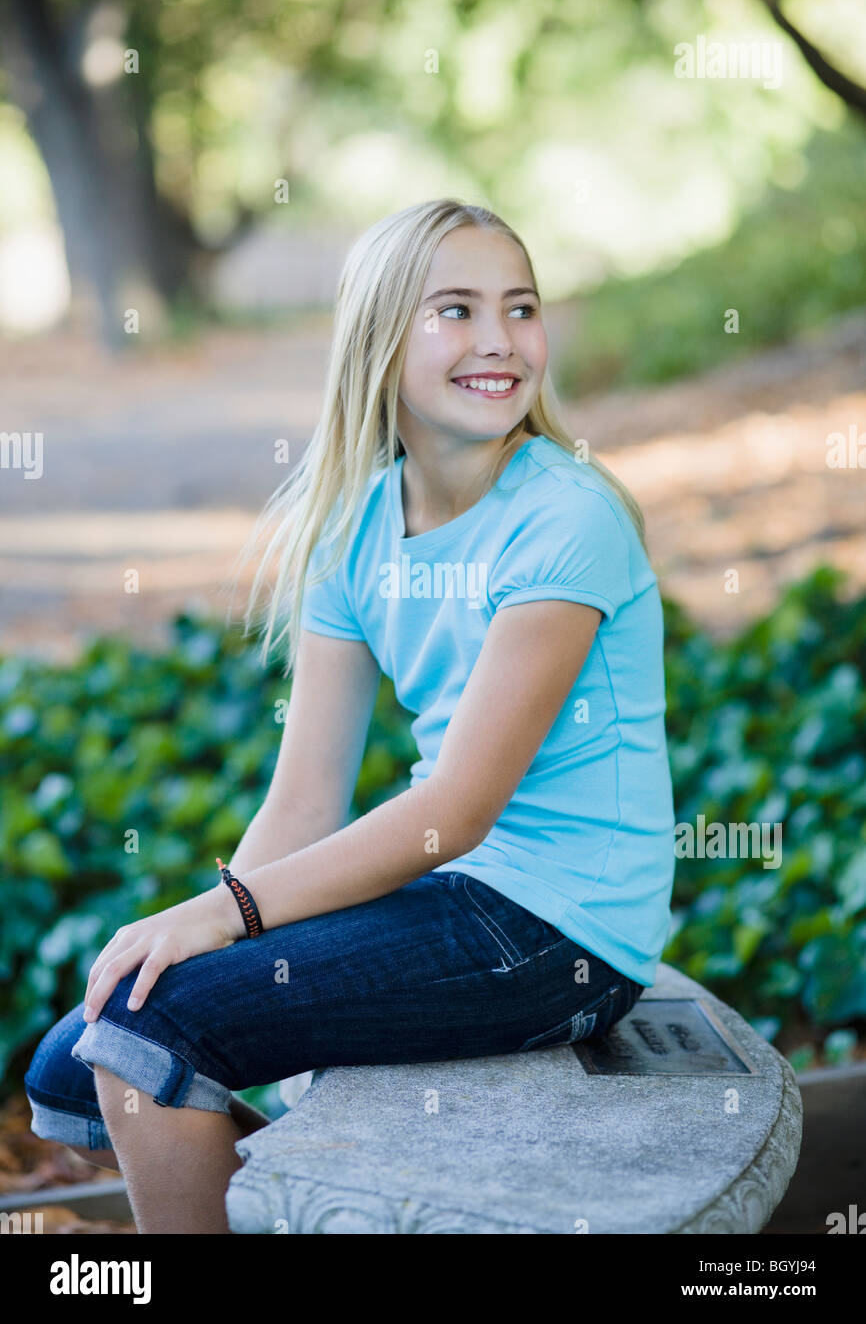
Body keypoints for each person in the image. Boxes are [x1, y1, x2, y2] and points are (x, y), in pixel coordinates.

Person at [24, 198, 675, 1234]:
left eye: (519, 306)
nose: (498, 339)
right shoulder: (354, 529)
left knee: (149, 1047)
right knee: (80, 1055)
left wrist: (226, 923)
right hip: (457, 892)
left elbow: (456, 808)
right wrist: (208, 927)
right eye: (454, 310)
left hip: (565, 934)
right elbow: (302, 800)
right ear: (380, 339)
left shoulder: (567, 518)